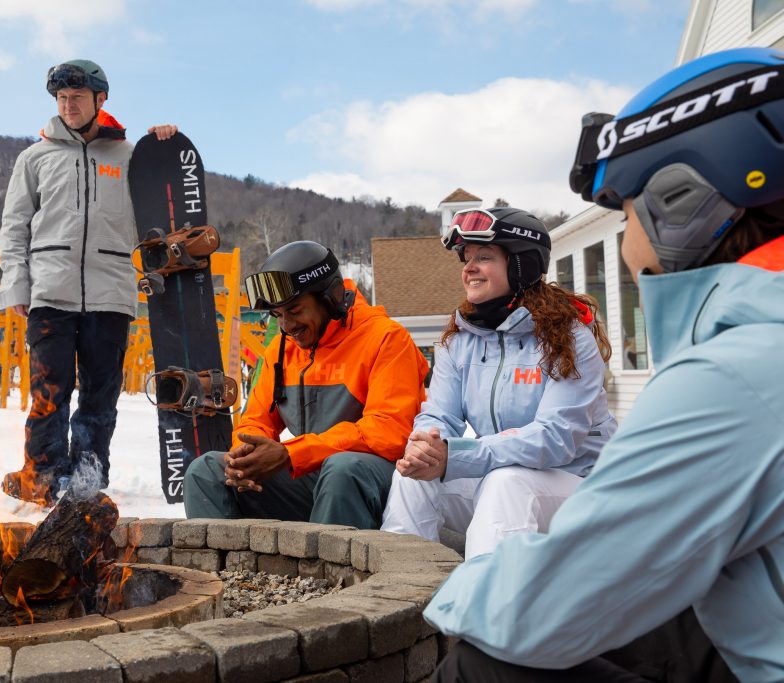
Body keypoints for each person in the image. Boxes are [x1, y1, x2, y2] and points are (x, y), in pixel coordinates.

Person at [427, 46, 784, 682]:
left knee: (483, 663)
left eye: (626, 213)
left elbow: (549, 605)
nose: (625, 244)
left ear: (683, 202)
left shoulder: (736, 374)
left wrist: (438, 602)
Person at [380, 208, 616, 559]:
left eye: (484, 257)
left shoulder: (569, 338)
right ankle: (402, 592)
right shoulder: (460, 339)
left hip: (584, 489)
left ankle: (488, 607)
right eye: (467, 258)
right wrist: (426, 446)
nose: (469, 268)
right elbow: (439, 414)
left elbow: (554, 439)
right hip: (503, 481)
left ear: (522, 265)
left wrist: (457, 456)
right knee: (414, 478)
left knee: (505, 482)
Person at [0, 59, 178, 504]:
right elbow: (14, 225)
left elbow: (166, 197)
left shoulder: (129, 155)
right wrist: (16, 285)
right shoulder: (34, 158)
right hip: (49, 293)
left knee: (100, 395)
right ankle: (42, 475)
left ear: (101, 99)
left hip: (110, 294)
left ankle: (87, 476)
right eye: (61, 98)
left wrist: (164, 146)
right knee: (49, 393)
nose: (68, 105)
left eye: (77, 97)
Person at [183, 240, 429, 529]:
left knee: (342, 470)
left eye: (295, 310)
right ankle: (228, 573)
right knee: (206, 471)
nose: (287, 326)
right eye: (278, 315)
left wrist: (292, 454)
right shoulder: (281, 348)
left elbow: (389, 433)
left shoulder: (386, 339)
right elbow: (255, 421)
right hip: (314, 474)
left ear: (331, 297)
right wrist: (245, 458)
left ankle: (328, 573)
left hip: (378, 482)